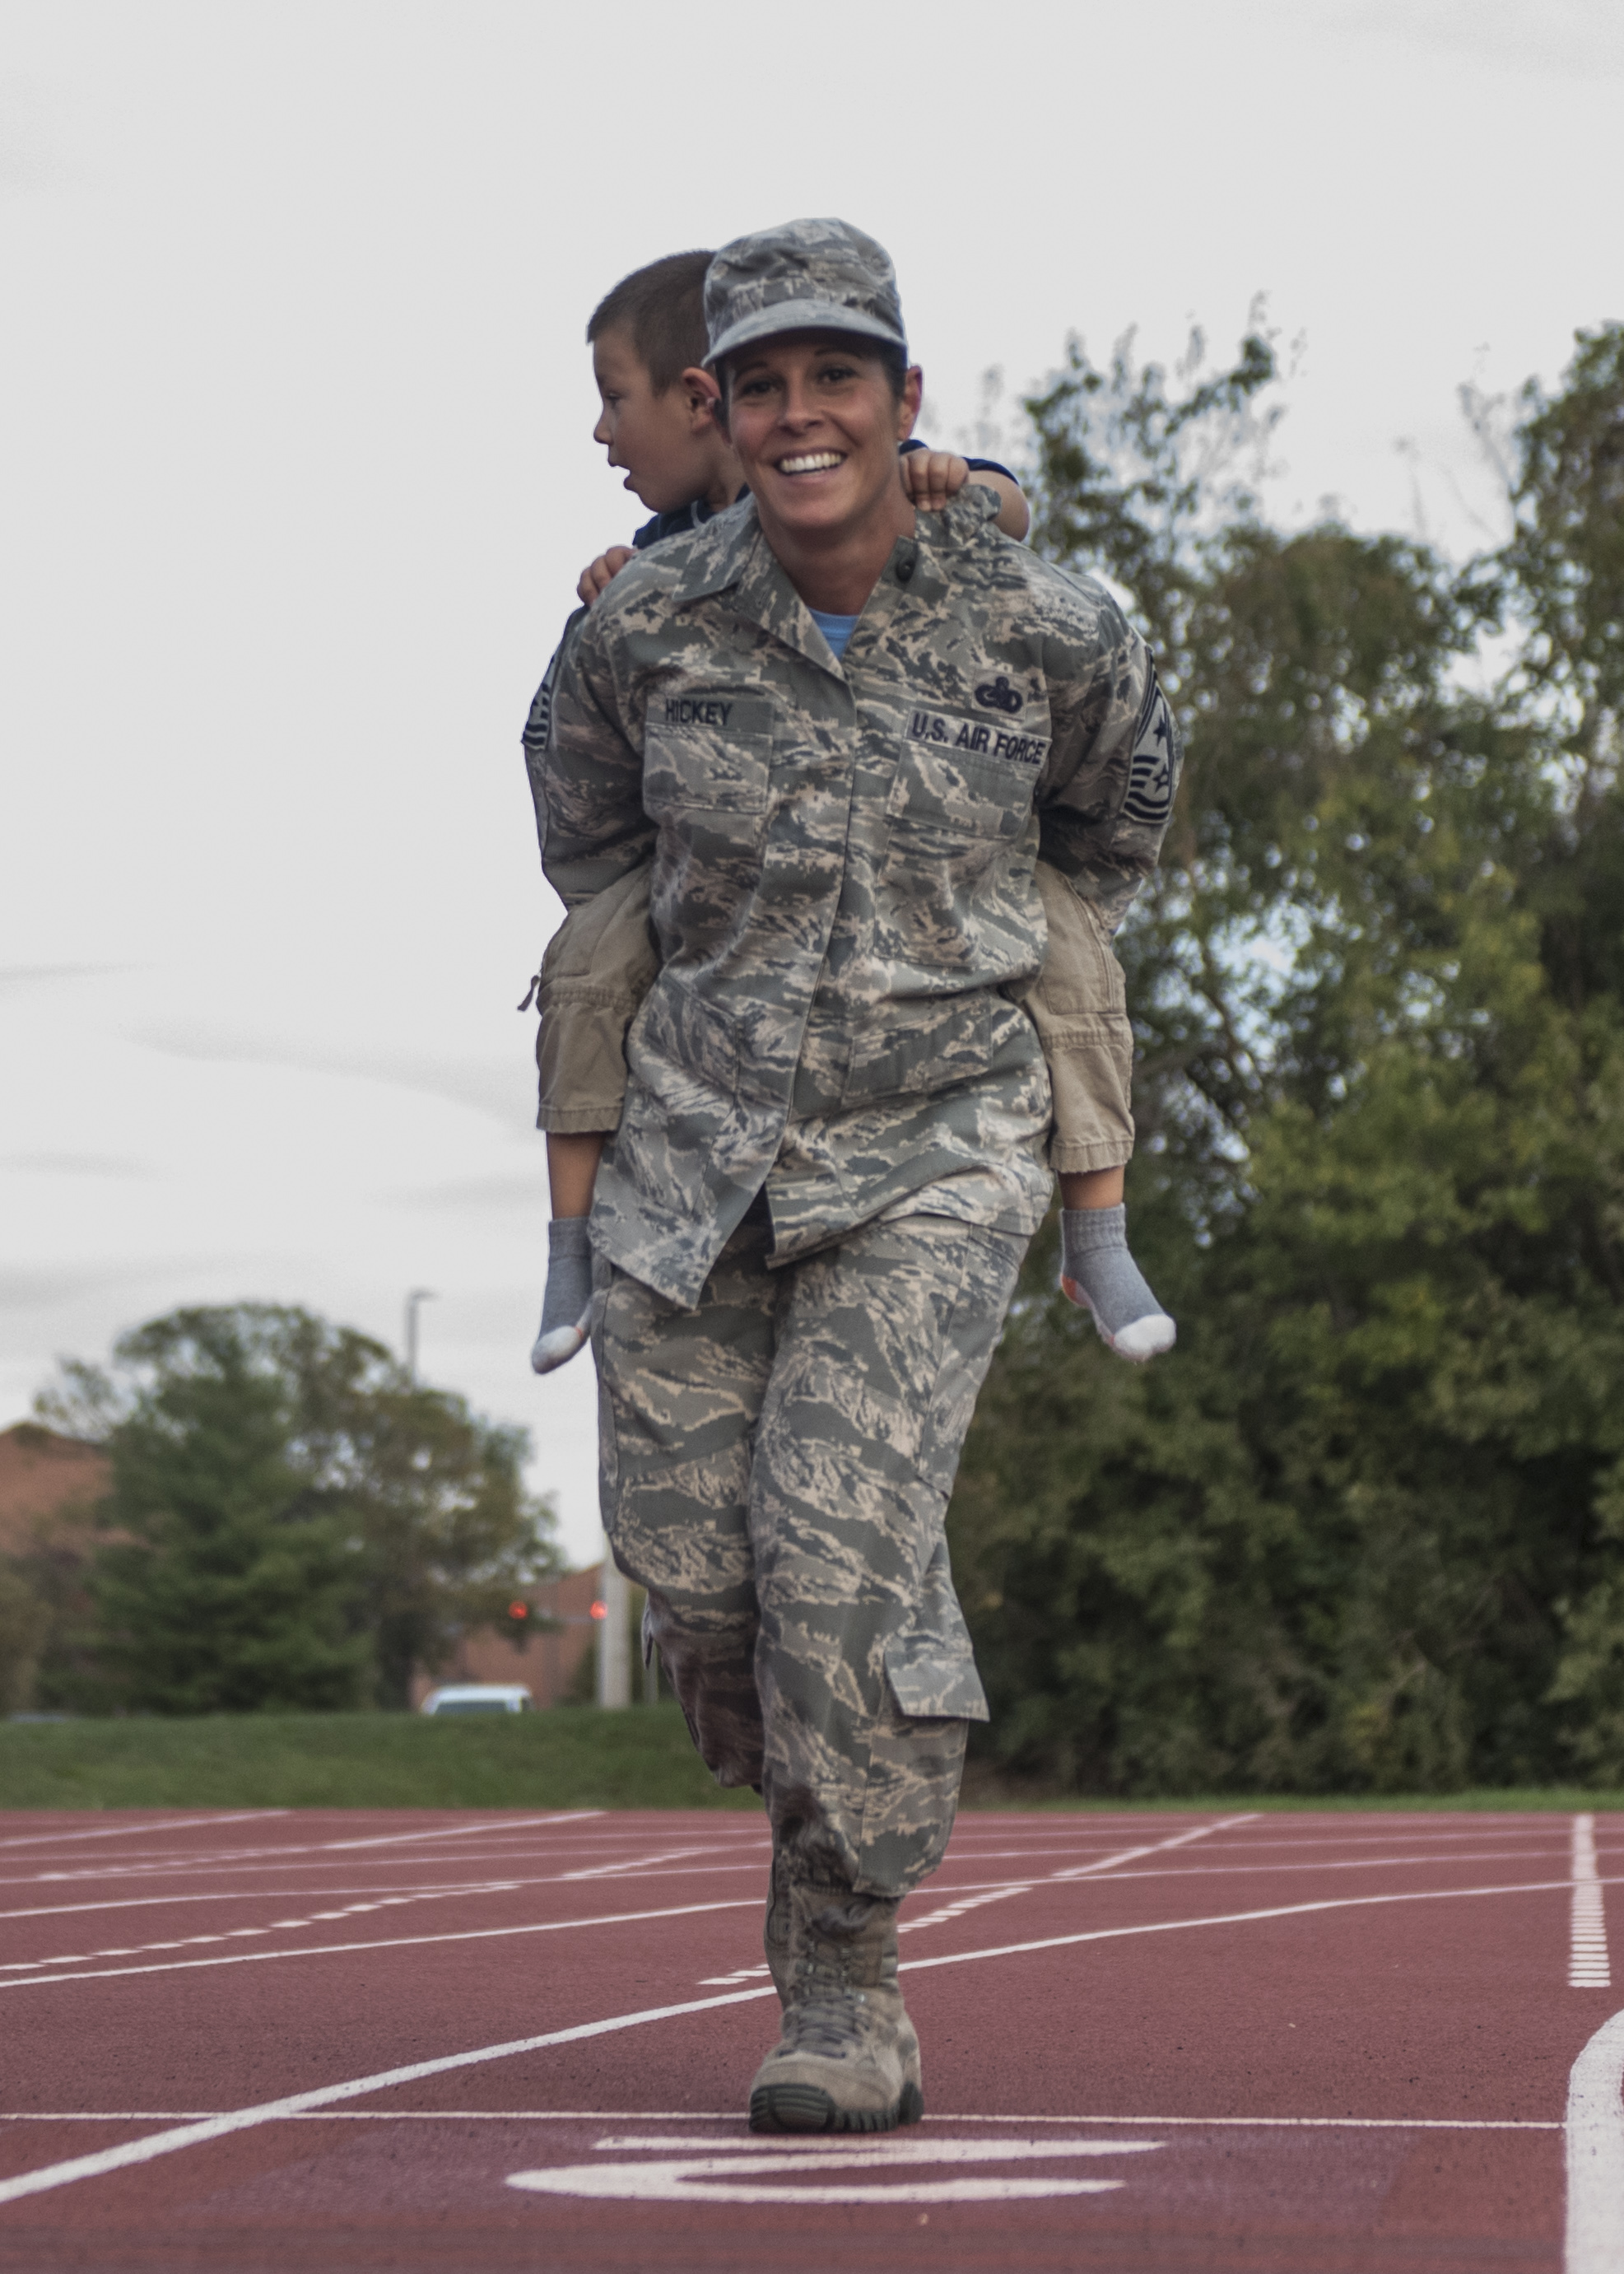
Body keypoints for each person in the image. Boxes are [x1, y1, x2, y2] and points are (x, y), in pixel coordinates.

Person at [530, 218, 1183, 2135]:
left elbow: (1111, 818)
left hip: (933, 1153)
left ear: (905, 399)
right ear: (723, 415)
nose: (801, 413)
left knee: (830, 1572)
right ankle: (834, 1664)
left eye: (840, 377)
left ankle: (843, 1986)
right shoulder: (642, 627)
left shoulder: (1045, 620)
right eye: (762, 384)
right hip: (693, 1160)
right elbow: (582, 837)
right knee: (700, 1578)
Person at [523, 252, 1174, 1373]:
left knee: (1069, 955)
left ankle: (1098, 1233)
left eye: (612, 396)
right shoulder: (659, 574)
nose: (597, 431)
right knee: (588, 959)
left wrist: (957, 483)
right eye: (761, 386)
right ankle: (570, 1245)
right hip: (714, 982)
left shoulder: (917, 498)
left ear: (688, 401)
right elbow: (579, 792)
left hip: (930, 1025)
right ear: (722, 396)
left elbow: (1009, 508)